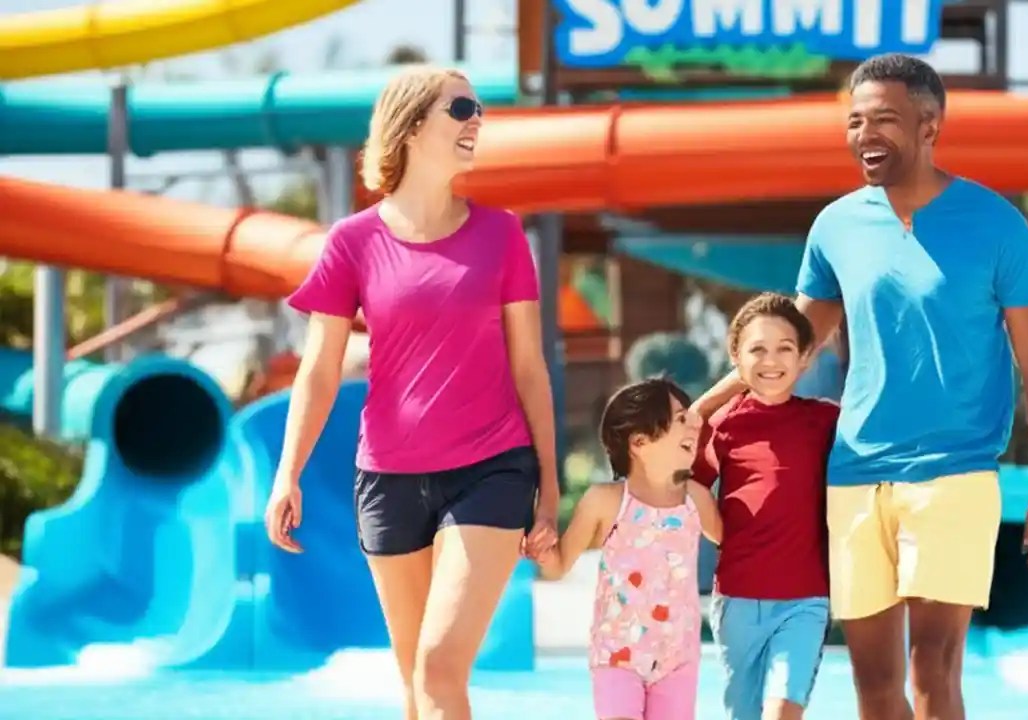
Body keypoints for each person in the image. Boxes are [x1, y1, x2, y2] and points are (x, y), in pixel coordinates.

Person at [695, 53, 1028, 720]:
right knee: (873, 682)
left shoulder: (997, 226)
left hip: (954, 475)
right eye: (855, 121)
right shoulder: (836, 227)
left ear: (929, 125)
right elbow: (789, 347)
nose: (864, 135)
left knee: (934, 667)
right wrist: (697, 411)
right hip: (855, 476)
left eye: (884, 121)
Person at [263, 64, 560, 720]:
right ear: (411, 125)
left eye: (478, 108)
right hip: (388, 477)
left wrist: (550, 481)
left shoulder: (502, 234)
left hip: (491, 470)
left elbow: (530, 367)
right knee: (414, 688)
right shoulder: (352, 242)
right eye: (461, 108)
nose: (476, 119)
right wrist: (288, 474)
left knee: (440, 668)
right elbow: (317, 369)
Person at [531, 378, 722, 720]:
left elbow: (735, 544)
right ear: (639, 442)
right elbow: (559, 566)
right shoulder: (606, 502)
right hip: (617, 654)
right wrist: (544, 552)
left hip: (677, 657)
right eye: (680, 418)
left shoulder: (696, 500)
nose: (693, 425)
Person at [690, 293, 840, 720]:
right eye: (757, 349)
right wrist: (725, 535)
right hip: (736, 599)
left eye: (784, 349)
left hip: (805, 600)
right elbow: (693, 487)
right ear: (736, 356)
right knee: (745, 713)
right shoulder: (724, 425)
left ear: (805, 357)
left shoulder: (826, 421)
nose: (770, 360)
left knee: (781, 711)